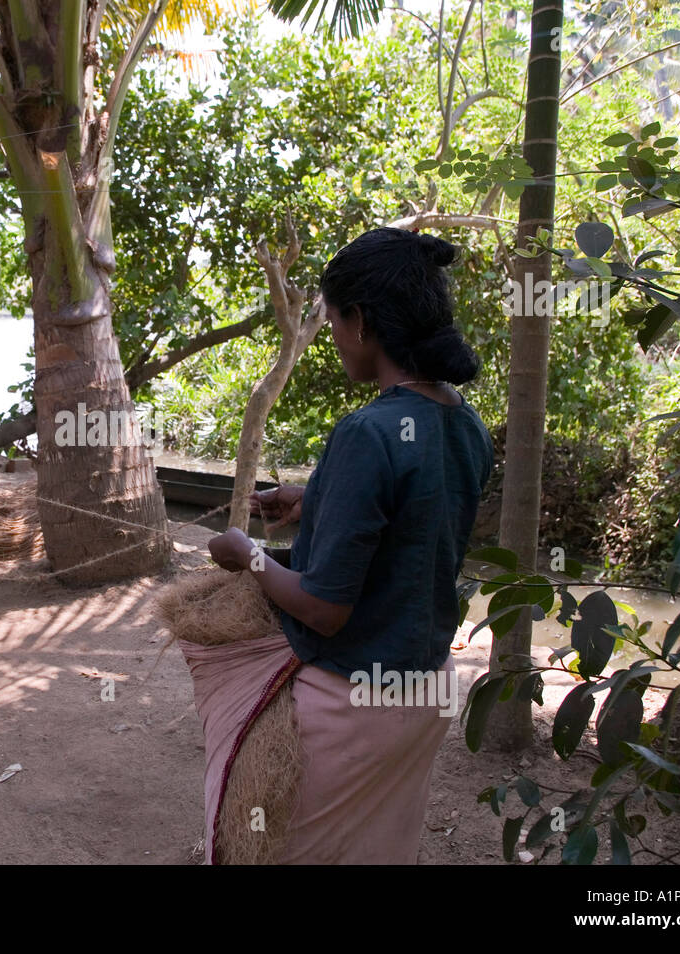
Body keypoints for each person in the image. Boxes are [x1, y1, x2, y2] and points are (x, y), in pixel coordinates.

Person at [207, 227, 494, 864]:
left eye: (333, 321)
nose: (332, 338)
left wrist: (245, 553)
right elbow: (417, 520)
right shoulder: (465, 423)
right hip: (425, 693)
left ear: (360, 321)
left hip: (354, 703)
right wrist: (316, 500)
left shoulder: (368, 431)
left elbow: (323, 608)